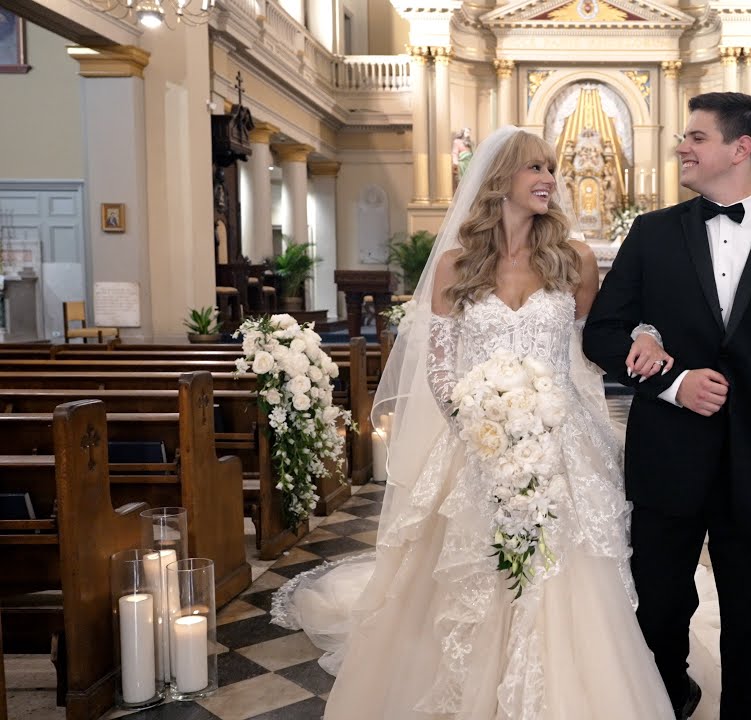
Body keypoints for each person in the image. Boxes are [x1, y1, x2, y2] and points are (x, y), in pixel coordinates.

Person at [276, 127, 674, 718]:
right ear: (498, 181)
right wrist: (484, 429)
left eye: (551, 168)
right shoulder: (457, 265)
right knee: (468, 577)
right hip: (478, 444)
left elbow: (599, 341)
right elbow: (439, 367)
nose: (549, 179)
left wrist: (645, 333)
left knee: (572, 580)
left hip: (563, 443)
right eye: (534, 168)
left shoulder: (575, 258)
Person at [582, 92, 751, 719]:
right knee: (661, 609)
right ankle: (665, 704)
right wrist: (672, 383)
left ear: (740, 147)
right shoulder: (653, 234)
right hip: (666, 458)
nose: (682, 146)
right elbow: (601, 332)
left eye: (696, 137)